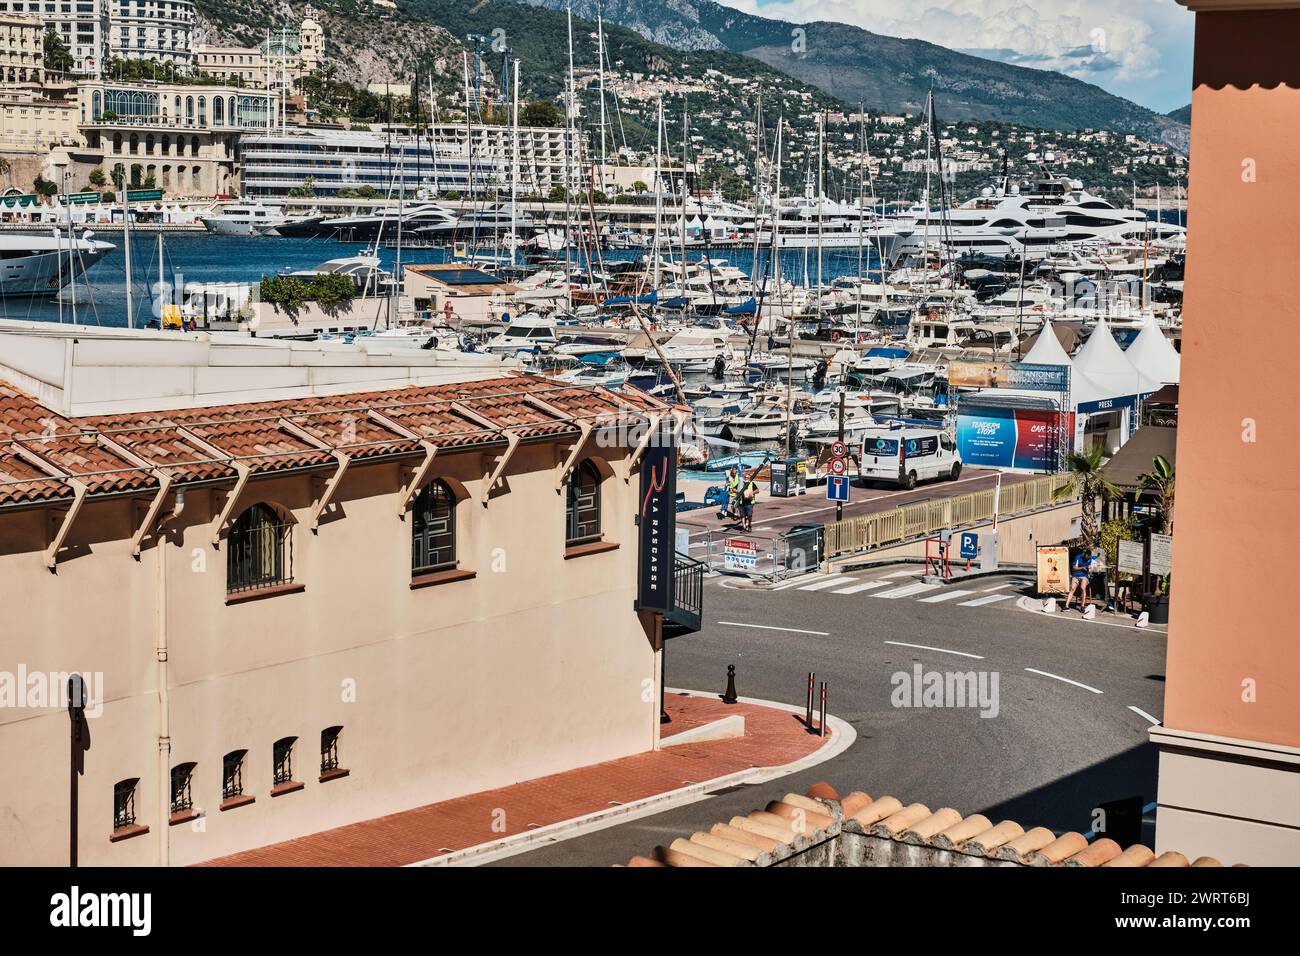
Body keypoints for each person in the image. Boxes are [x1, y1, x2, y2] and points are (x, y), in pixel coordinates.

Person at [1090, 547, 1114, 612]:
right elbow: (1092, 562)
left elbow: (1101, 560)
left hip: (1101, 571)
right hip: (1096, 571)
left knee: (1105, 587)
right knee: (1101, 587)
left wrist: (1099, 569)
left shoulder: (1100, 550)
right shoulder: (1091, 552)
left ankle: (1109, 603)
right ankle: (1108, 603)